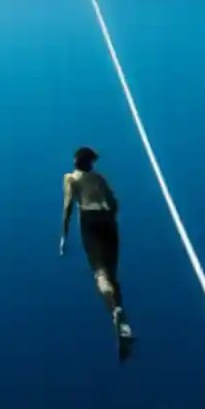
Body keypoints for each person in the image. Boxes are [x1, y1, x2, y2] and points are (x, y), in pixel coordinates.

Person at [60, 146, 135, 354]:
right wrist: (110, 218)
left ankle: (115, 311)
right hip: (108, 221)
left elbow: (67, 206)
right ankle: (122, 319)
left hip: (90, 220)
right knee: (113, 274)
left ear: (76, 161)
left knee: (99, 271)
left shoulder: (70, 178)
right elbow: (114, 202)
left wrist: (63, 237)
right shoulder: (99, 178)